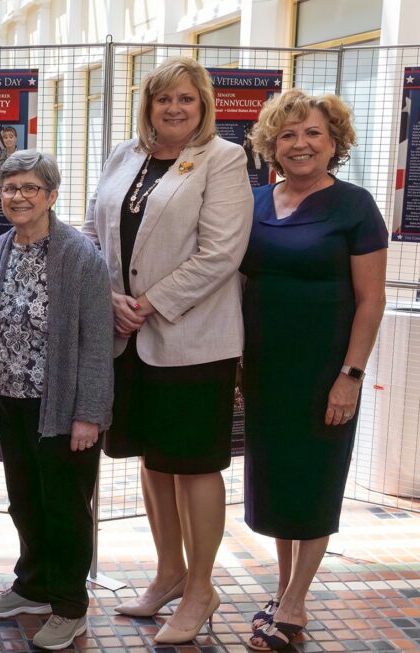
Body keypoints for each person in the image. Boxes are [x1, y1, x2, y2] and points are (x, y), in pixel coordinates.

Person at [80, 56, 253, 645]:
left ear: (203, 105)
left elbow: (221, 253)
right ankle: (170, 572)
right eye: (162, 99)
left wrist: (147, 301)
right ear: (147, 105)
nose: (174, 108)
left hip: (192, 339)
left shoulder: (224, 160)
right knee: (154, 460)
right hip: (126, 337)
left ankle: (202, 588)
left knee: (194, 464)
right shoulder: (124, 155)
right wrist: (108, 297)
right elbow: (92, 235)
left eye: (186, 98)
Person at [241, 90, 387, 651]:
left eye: (312, 134)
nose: (299, 144)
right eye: (287, 134)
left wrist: (350, 375)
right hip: (264, 367)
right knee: (276, 482)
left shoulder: (355, 206)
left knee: (316, 479)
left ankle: (296, 600)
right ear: (271, 144)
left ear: (334, 143)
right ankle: (282, 589)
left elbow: (370, 300)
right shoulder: (254, 201)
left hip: (325, 367)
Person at [0, 150, 113, 650]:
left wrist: (89, 415)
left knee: (66, 507)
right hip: (12, 399)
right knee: (25, 500)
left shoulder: (79, 255)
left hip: (61, 407)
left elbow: (97, 342)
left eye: (30, 188)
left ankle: (70, 606)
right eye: (10, 187)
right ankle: (32, 585)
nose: (18, 196)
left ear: (52, 196)